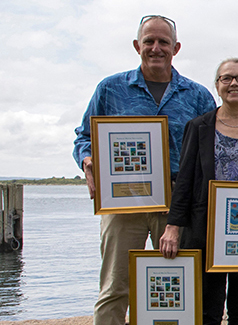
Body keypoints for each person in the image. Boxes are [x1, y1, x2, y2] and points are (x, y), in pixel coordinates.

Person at [71, 15, 216, 325]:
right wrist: (87, 160)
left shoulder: (198, 95)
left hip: (178, 202)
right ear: (137, 46)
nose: (156, 48)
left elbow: (211, 150)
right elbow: (84, 137)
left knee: (179, 285)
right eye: (149, 41)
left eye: (164, 42)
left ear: (176, 48)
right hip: (123, 201)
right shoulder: (110, 89)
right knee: (115, 287)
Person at [158, 58, 238, 324]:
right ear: (217, 86)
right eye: (227, 78)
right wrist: (173, 228)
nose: (234, 83)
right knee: (208, 308)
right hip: (204, 229)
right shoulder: (198, 126)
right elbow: (185, 179)